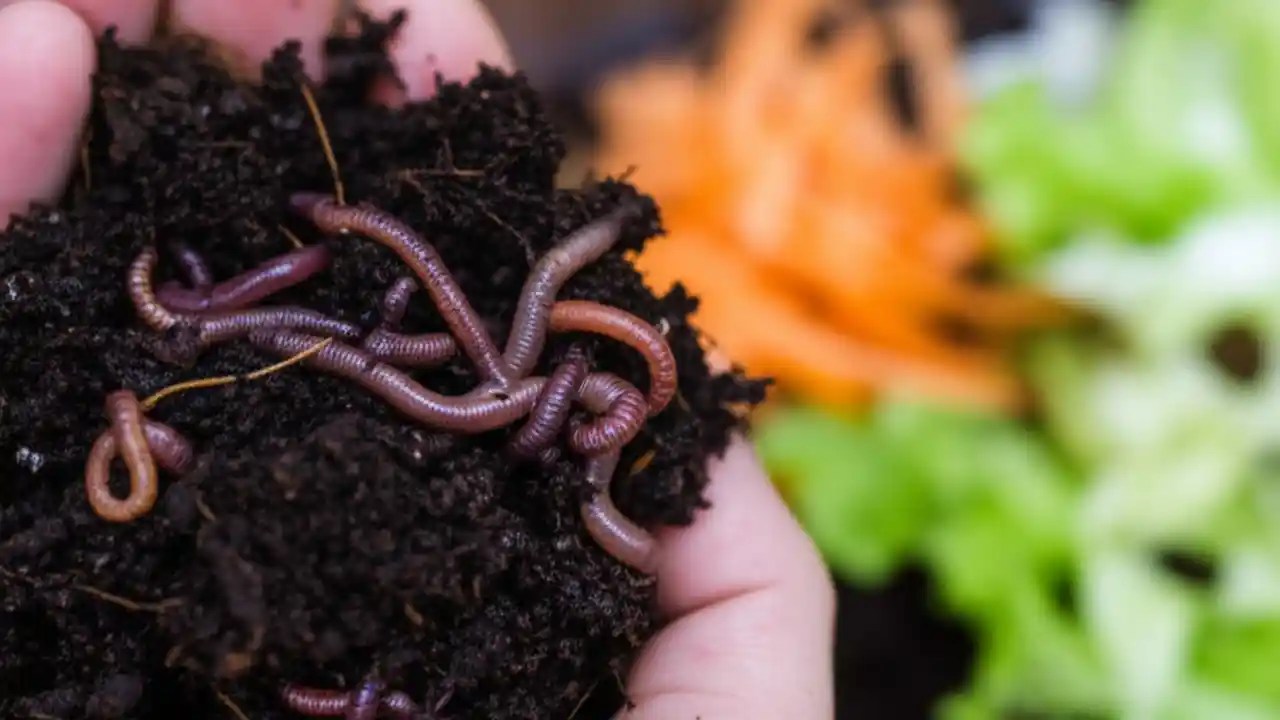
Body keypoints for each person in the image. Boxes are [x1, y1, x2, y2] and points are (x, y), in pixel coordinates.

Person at [0, 2, 835, 717]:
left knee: (438, 351)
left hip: (469, 366)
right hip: (438, 355)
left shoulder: (541, 400)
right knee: (407, 343)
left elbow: (509, 386)